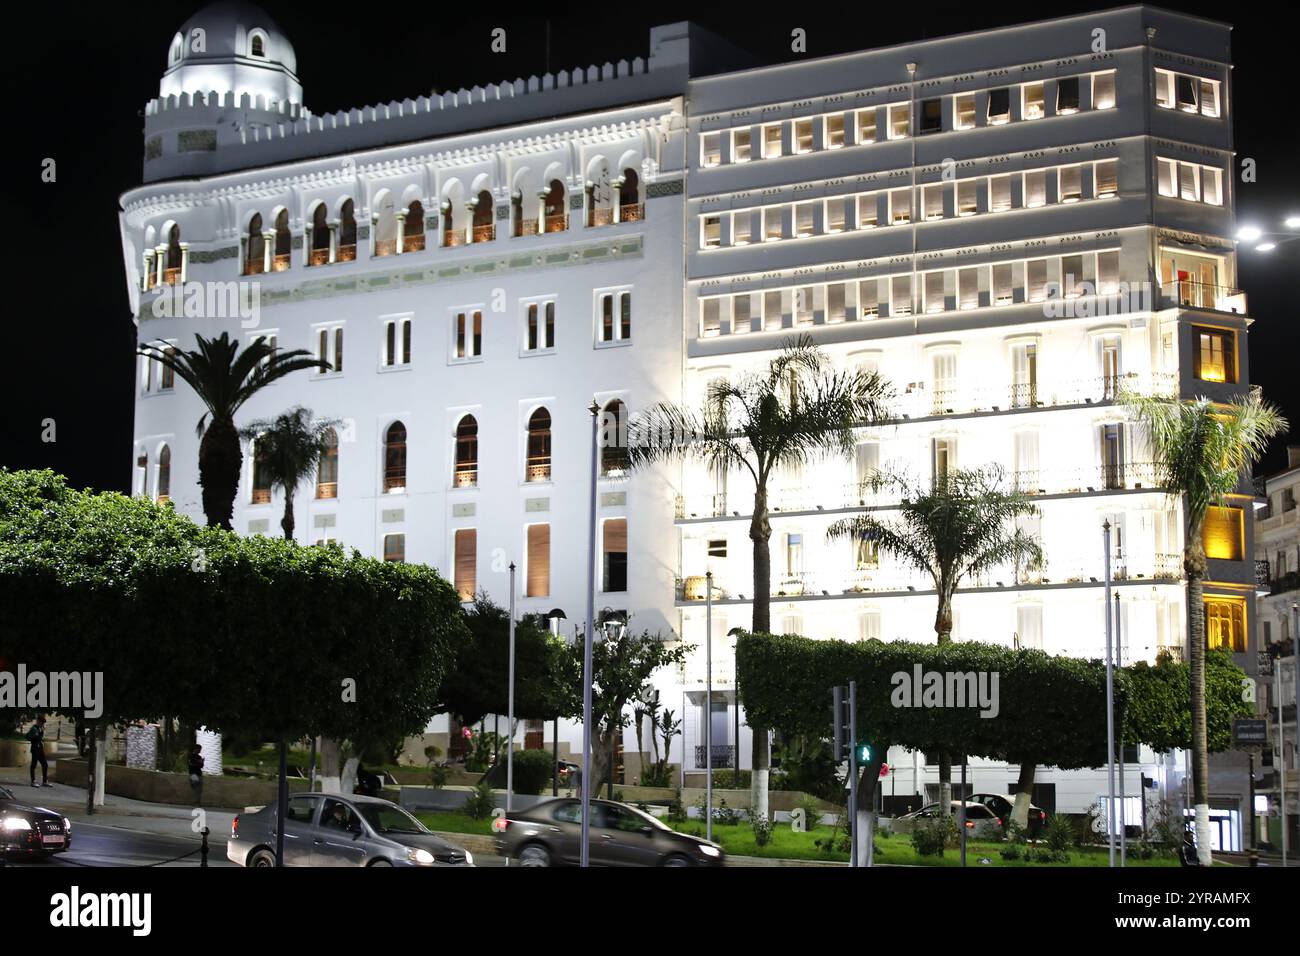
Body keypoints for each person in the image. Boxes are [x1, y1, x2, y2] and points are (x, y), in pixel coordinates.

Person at [27, 715, 48, 787]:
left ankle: (44, 782)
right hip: (35, 749)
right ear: (38, 721)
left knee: (45, 764)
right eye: (41, 723)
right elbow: (28, 737)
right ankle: (33, 781)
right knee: (34, 765)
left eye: (43, 723)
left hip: (40, 749)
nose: (42, 724)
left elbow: (40, 738)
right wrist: (34, 737)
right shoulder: (34, 729)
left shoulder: (40, 728)